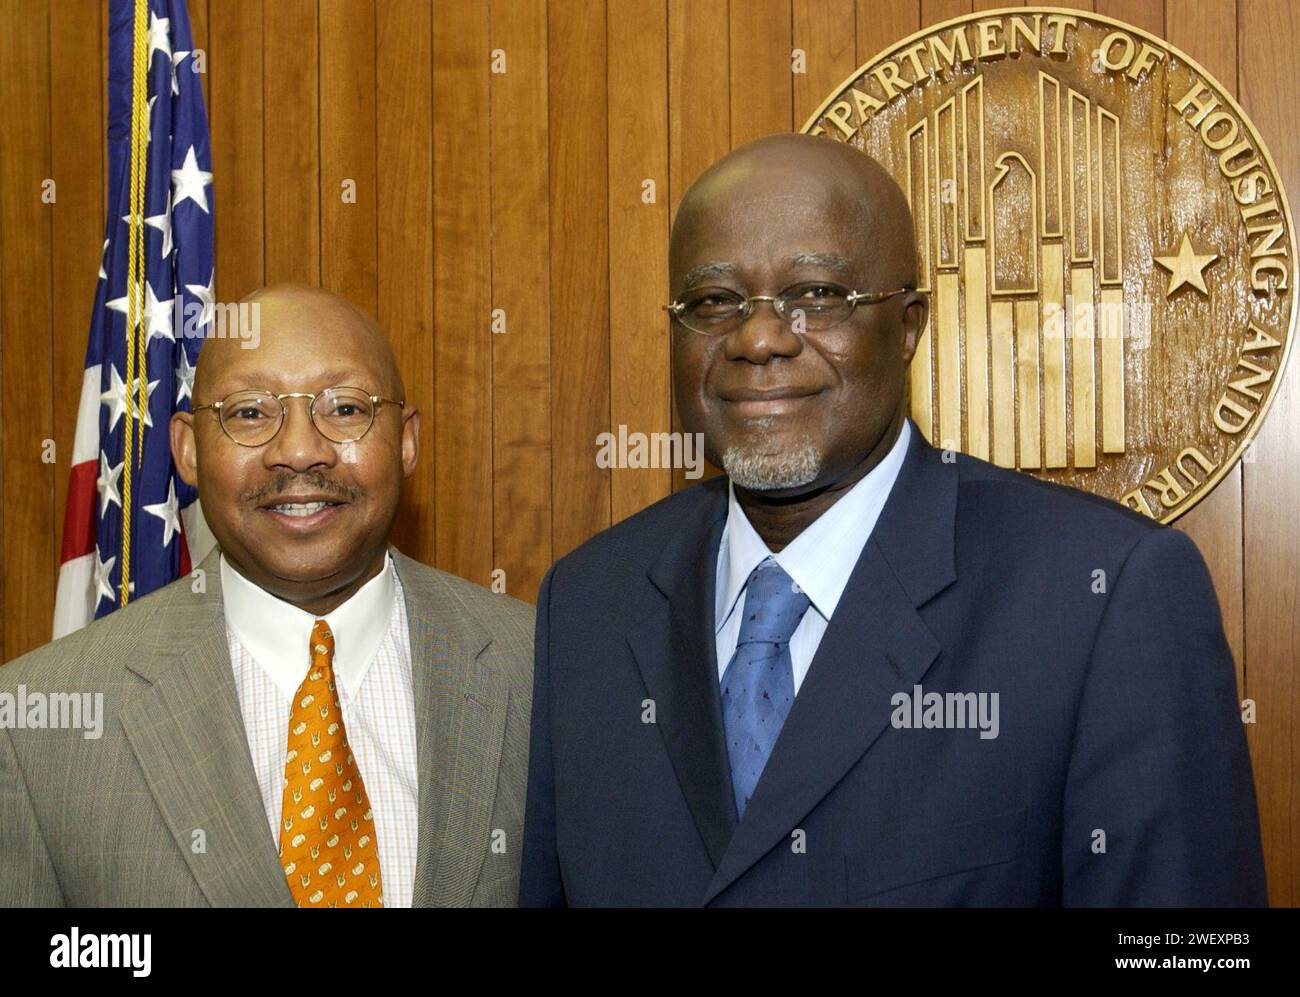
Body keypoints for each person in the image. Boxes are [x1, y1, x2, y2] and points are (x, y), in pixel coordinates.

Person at [519, 133, 1267, 906]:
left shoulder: (1102, 599)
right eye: (715, 303)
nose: (760, 338)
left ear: (909, 325)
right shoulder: (587, 605)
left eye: (816, 294)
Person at [0, 284, 533, 907]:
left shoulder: (539, 670)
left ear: (406, 440)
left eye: (345, 408)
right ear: (188, 450)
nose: (301, 452)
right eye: (250, 412)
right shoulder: (37, 724)